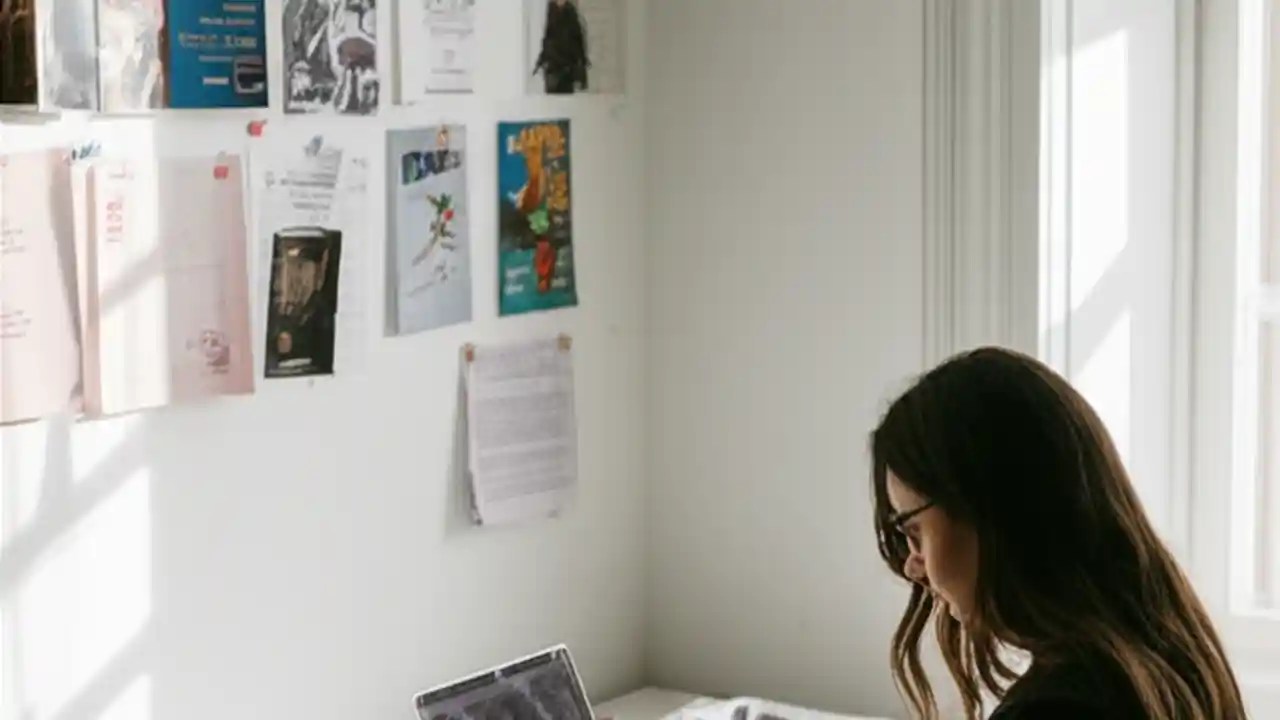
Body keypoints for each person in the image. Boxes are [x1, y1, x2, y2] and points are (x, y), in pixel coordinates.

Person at [870, 347, 1248, 719]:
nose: (912, 566)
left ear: (989, 510)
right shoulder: (1173, 662)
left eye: (913, 529)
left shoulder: (1055, 709)